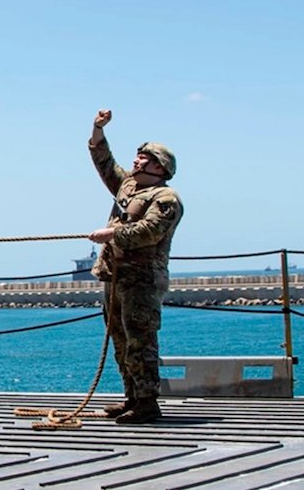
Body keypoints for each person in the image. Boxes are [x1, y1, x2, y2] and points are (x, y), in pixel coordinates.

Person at [87, 109, 183, 425]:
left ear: (160, 166)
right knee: (120, 340)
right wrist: (98, 130)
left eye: (144, 158)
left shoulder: (166, 198)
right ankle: (131, 397)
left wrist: (112, 233)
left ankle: (147, 403)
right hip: (116, 276)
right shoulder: (128, 187)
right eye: (138, 156)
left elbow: (149, 232)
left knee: (140, 341)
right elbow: (104, 163)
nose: (137, 161)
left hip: (142, 279)